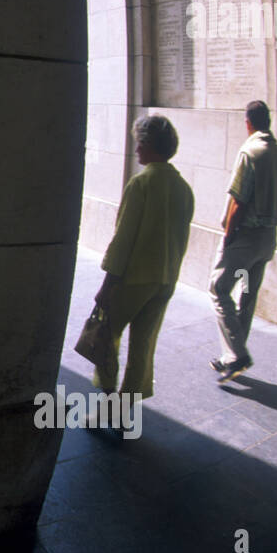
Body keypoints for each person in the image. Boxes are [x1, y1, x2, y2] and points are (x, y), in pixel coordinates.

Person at [94, 114, 195, 404]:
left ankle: (109, 396)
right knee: (143, 346)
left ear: (150, 146)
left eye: (140, 143)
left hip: (133, 278)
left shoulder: (141, 184)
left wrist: (107, 284)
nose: (136, 149)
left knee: (107, 335)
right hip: (165, 280)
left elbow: (123, 240)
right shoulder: (183, 189)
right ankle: (126, 410)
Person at [210, 100, 277, 382]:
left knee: (219, 289)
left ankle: (237, 355)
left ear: (248, 123)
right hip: (266, 242)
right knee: (246, 295)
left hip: (243, 240)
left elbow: (237, 199)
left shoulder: (250, 151)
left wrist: (229, 234)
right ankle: (232, 356)